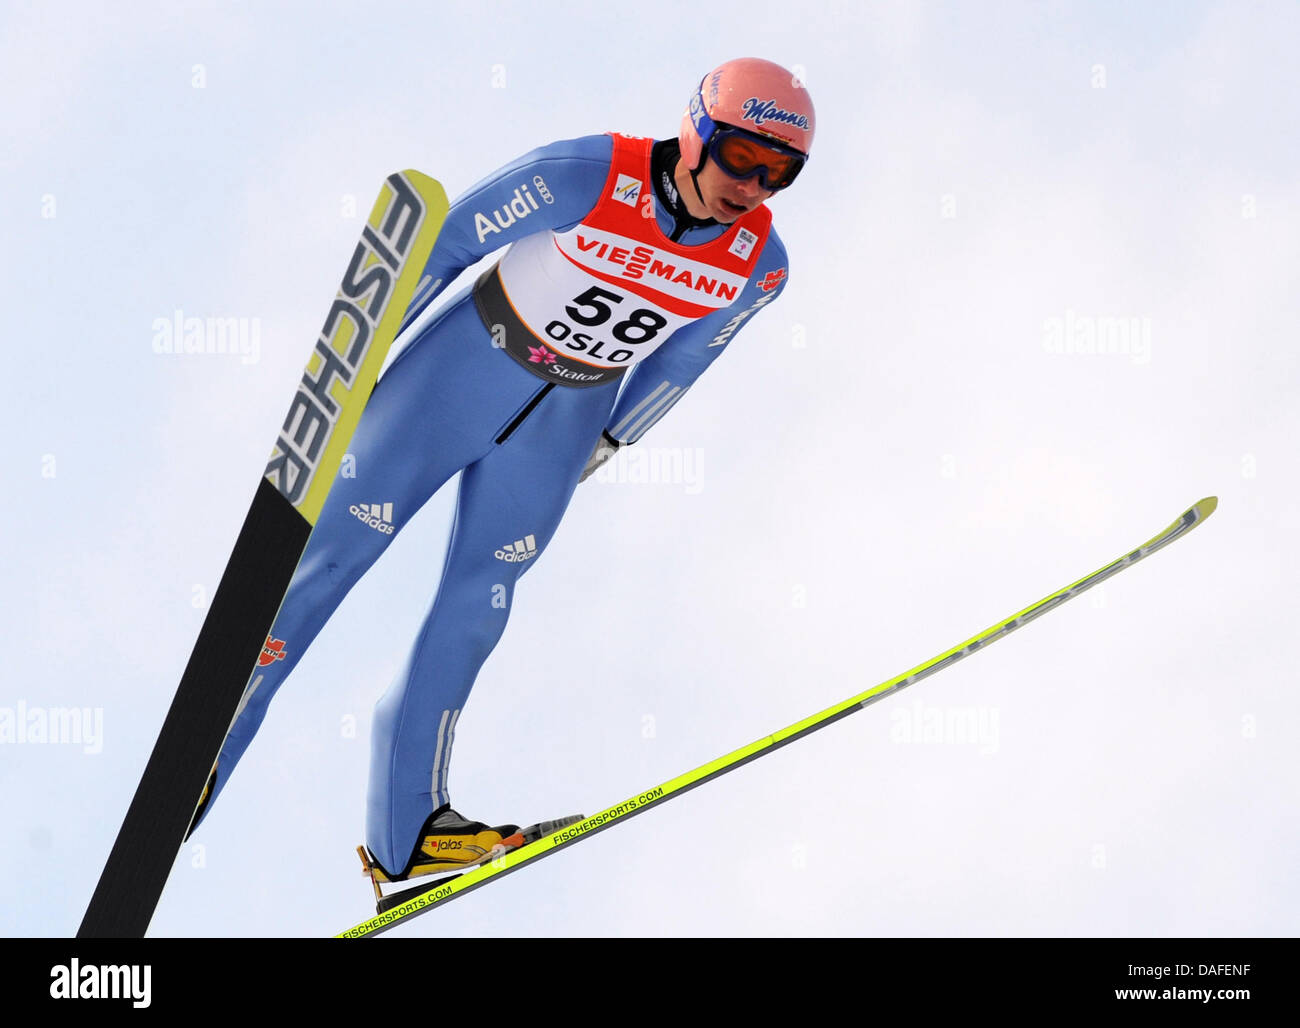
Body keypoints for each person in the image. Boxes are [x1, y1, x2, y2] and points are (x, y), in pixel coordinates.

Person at [187, 57, 816, 885]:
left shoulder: (758, 264)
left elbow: (686, 361)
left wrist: (613, 439)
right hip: (456, 378)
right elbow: (443, 243)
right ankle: (204, 753)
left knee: (477, 609)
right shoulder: (583, 174)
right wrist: (360, 357)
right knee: (324, 563)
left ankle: (410, 830)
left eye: (781, 173)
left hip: (563, 425)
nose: (754, 186)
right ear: (698, 130)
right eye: (743, 158)